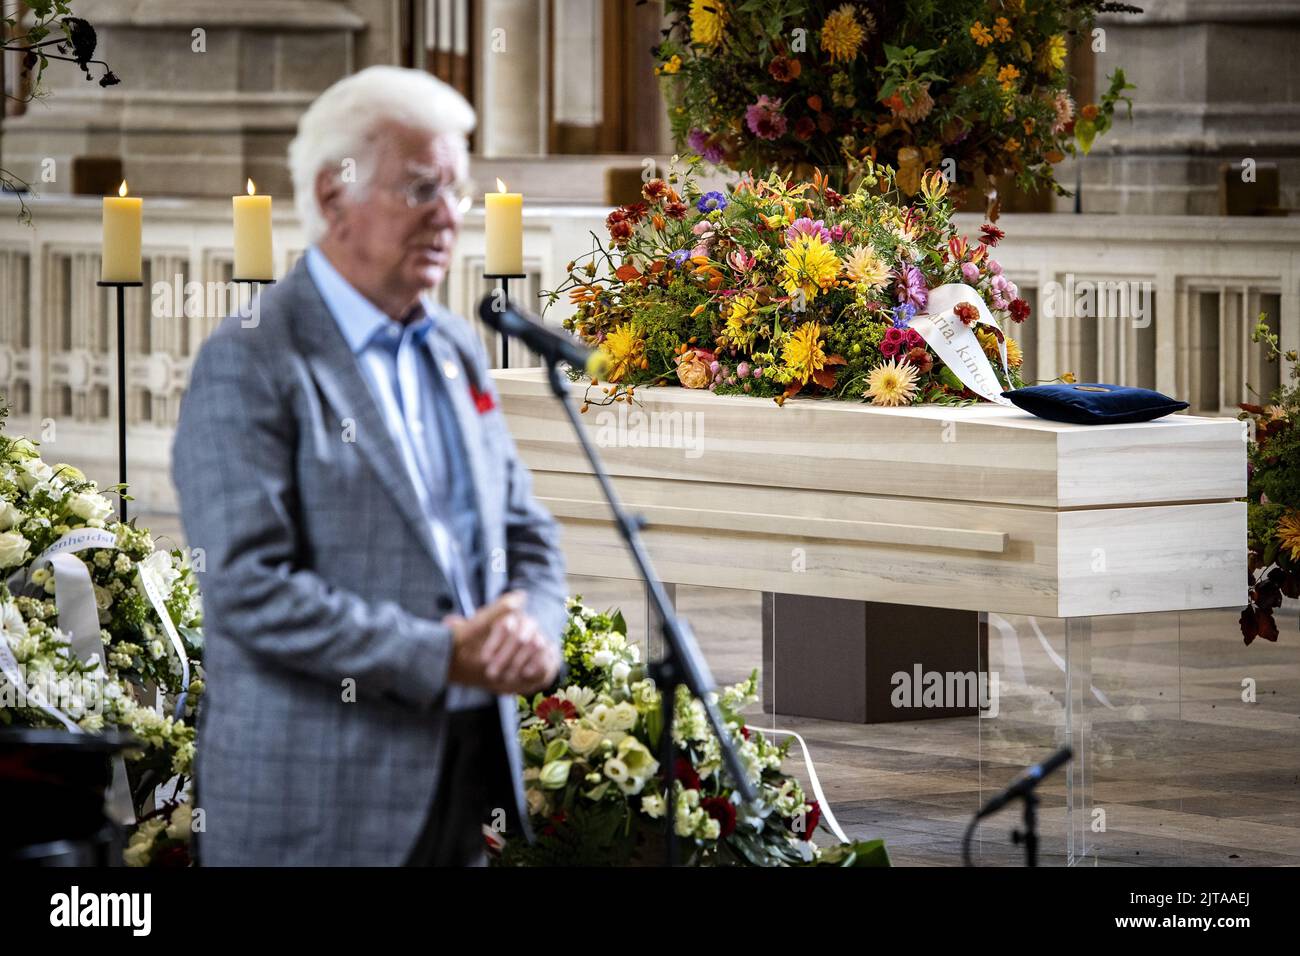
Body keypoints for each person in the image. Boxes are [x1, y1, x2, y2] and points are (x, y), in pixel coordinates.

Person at [172, 66, 566, 866]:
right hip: (316, 802)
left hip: (461, 774)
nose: (451, 217)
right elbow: (248, 588)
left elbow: (524, 529)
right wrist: (438, 652)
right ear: (331, 196)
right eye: (422, 189)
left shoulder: (454, 346)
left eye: (456, 192)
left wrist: (534, 626)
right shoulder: (251, 359)